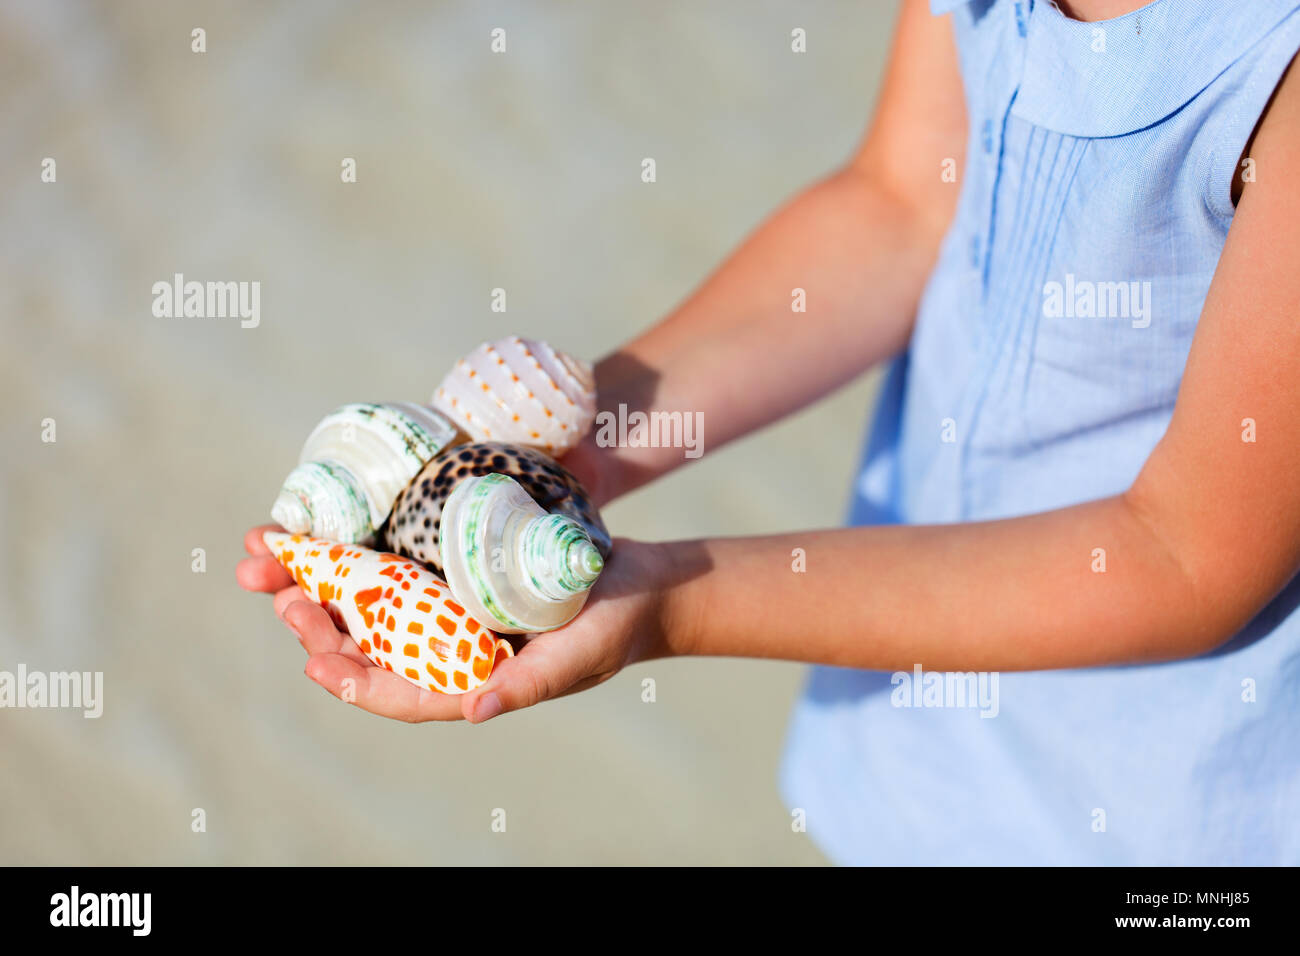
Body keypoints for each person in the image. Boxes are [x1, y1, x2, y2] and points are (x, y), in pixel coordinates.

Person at [237, 0, 1300, 864]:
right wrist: (550, 459)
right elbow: (899, 206)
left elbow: (1181, 553)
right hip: (910, 757)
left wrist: (672, 598)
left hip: (1161, 814)